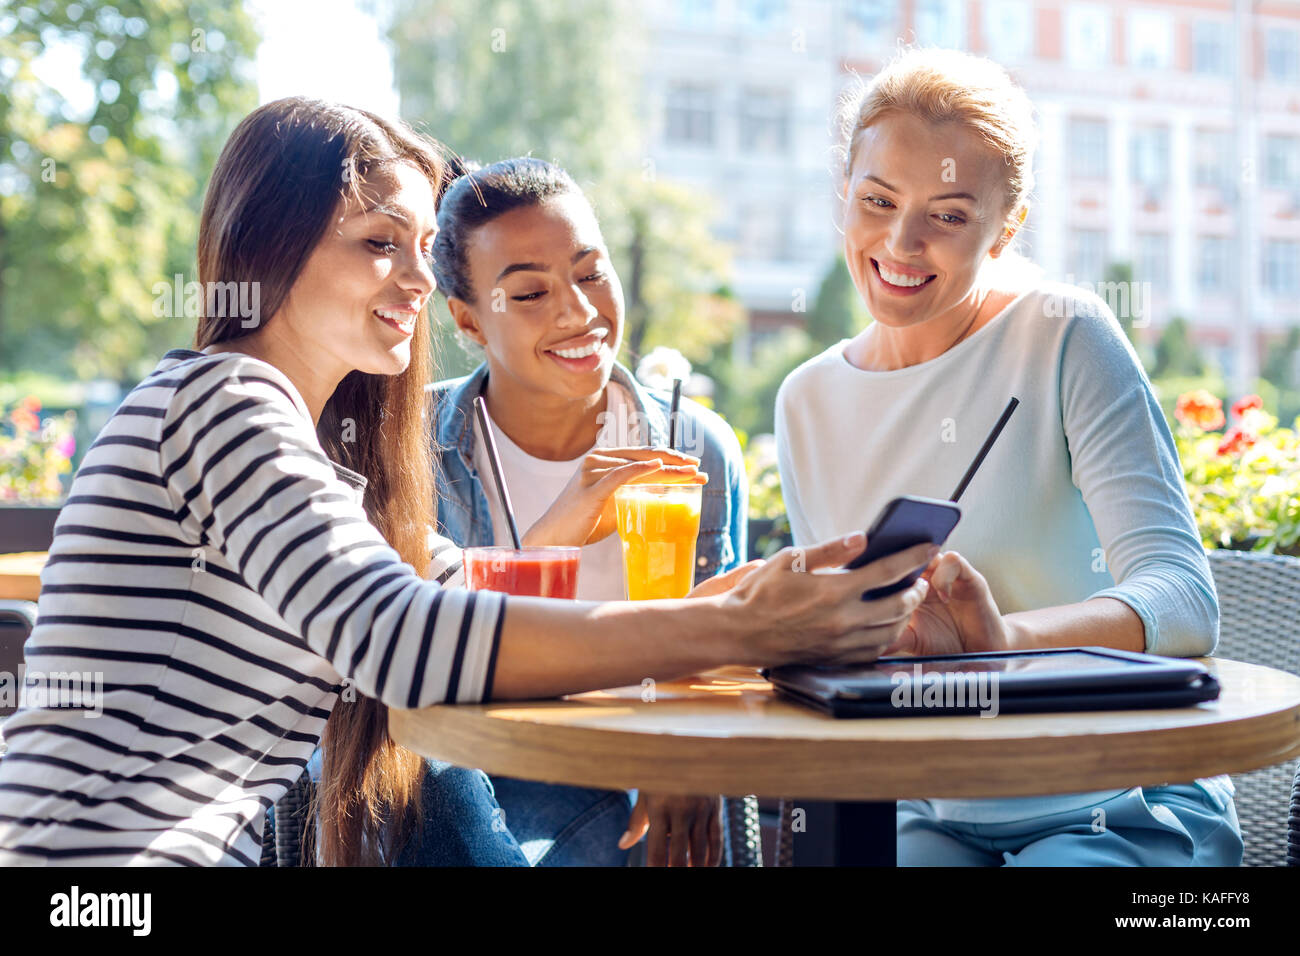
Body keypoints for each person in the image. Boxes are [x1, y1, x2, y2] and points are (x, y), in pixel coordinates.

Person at [0, 96, 935, 866]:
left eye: (419, 245)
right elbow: (403, 638)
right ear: (271, 245)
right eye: (378, 242)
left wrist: (753, 594)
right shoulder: (221, 399)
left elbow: (467, 586)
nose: (414, 278)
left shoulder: (309, 446)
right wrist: (731, 628)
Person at [775, 48, 1243, 866]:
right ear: (843, 192)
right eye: (877, 200)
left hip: (1122, 795)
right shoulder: (806, 401)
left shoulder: (1064, 334)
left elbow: (1185, 600)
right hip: (934, 806)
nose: (901, 241)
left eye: (949, 215)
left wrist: (1002, 644)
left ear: (1008, 225)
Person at [407, 157, 747, 866]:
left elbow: (728, 648)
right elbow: (416, 662)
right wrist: (556, 529)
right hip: (465, 788)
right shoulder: (414, 445)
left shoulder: (698, 449)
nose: (580, 312)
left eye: (591, 272)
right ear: (467, 320)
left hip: (640, 780)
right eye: (529, 293)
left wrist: (686, 754)